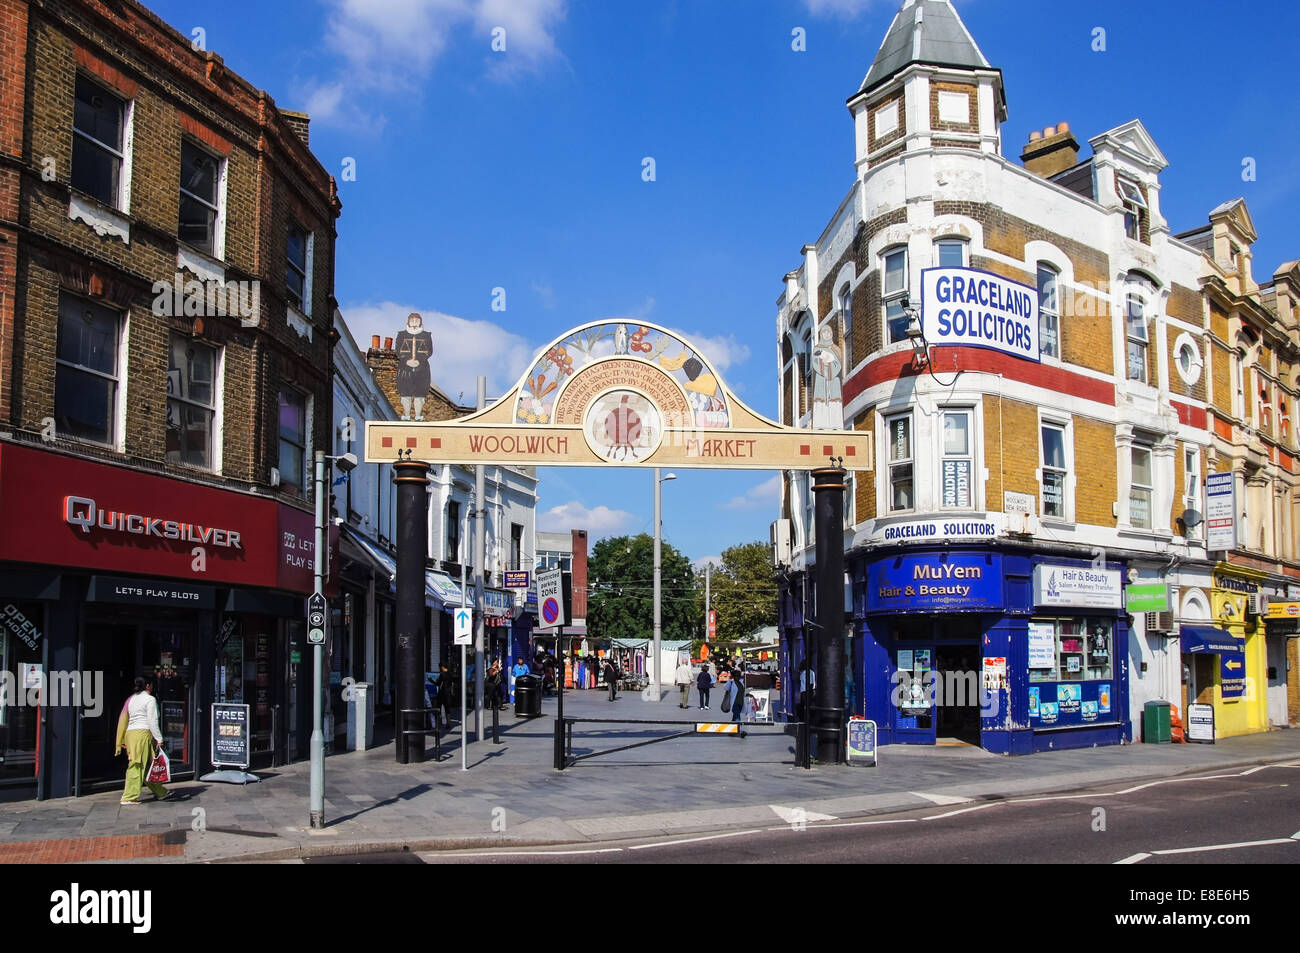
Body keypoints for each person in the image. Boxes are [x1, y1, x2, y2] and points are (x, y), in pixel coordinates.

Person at [115, 677, 168, 804]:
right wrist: (159, 738)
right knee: (138, 765)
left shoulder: (131, 699)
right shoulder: (150, 699)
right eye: (152, 685)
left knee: (147, 765)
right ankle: (129, 796)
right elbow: (152, 721)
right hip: (142, 734)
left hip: (131, 734)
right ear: (148, 686)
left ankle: (161, 792)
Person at [395, 312, 433, 420]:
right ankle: (406, 415)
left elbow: (429, 351)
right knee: (405, 392)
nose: (415, 323)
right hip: (404, 368)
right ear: (408, 322)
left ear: (421, 322)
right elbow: (398, 351)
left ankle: (418, 416)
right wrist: (407, 360)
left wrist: (419, 360)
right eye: (412, 321)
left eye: (417, 320)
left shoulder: (426, 335)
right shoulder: (401, 335)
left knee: (420, 393)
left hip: (422, 368)